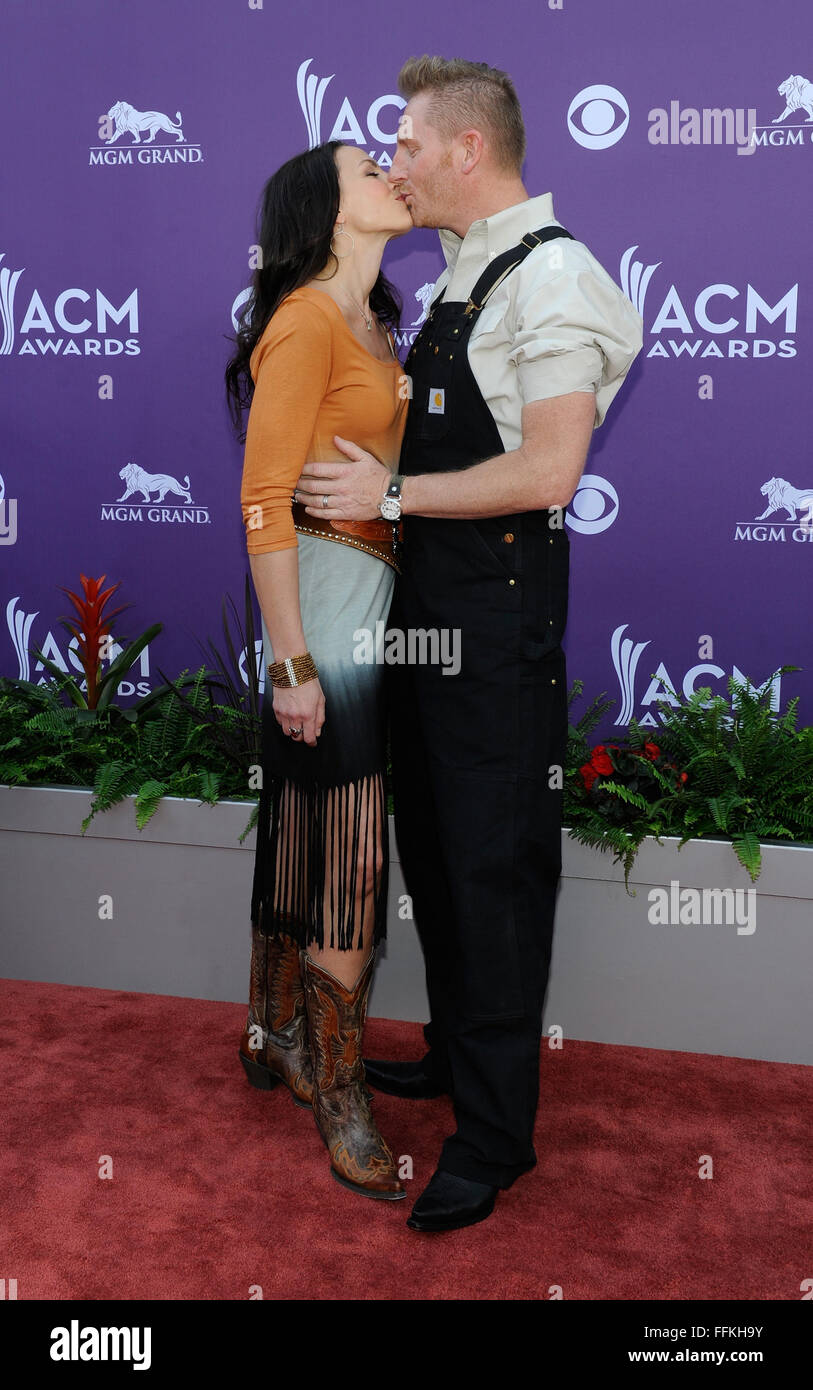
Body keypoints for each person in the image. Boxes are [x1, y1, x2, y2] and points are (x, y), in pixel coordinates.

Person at [293, 55, 644, 1232]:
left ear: (467, 153)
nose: (392, 160)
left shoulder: (558, 279)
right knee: (437, 861)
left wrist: (390, 495)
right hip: (424, 638)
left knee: (491, 883)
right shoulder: (458, 272)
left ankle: (495, 1138)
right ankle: (452, 1056)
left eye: (405, 141)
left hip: (494, 642)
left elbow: (549, 473)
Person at [224, 140, 413, 1200]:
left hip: (373, 610)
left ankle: (274, 1033)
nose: (391, 170)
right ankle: (340, 1092)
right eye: (366, 166)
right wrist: (294, 662)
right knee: (346, 861)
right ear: (324, 210)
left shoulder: (381, 321)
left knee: (304, 834)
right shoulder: (302, 320)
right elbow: (263, 502)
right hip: (325, 624)